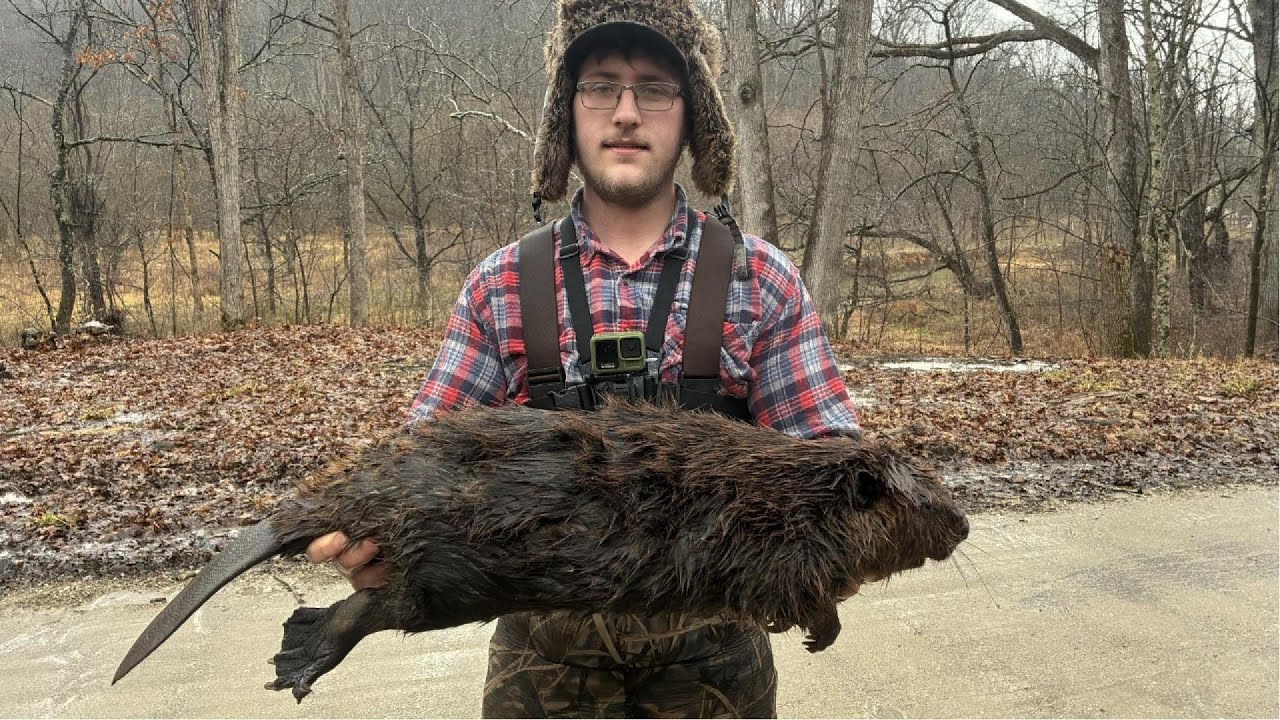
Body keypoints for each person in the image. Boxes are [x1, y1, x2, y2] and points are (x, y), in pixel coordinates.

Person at [307, 0, 860, 715]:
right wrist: (371, 541)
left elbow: (835, 465)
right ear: (566, 114)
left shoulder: (762, 281)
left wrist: (846, 541)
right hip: (540, 670)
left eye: (655, 88)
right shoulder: (501, 286)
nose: (626, 112)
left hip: (717, 668)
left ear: (694, 115)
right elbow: (417, 461)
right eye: (601, 86)